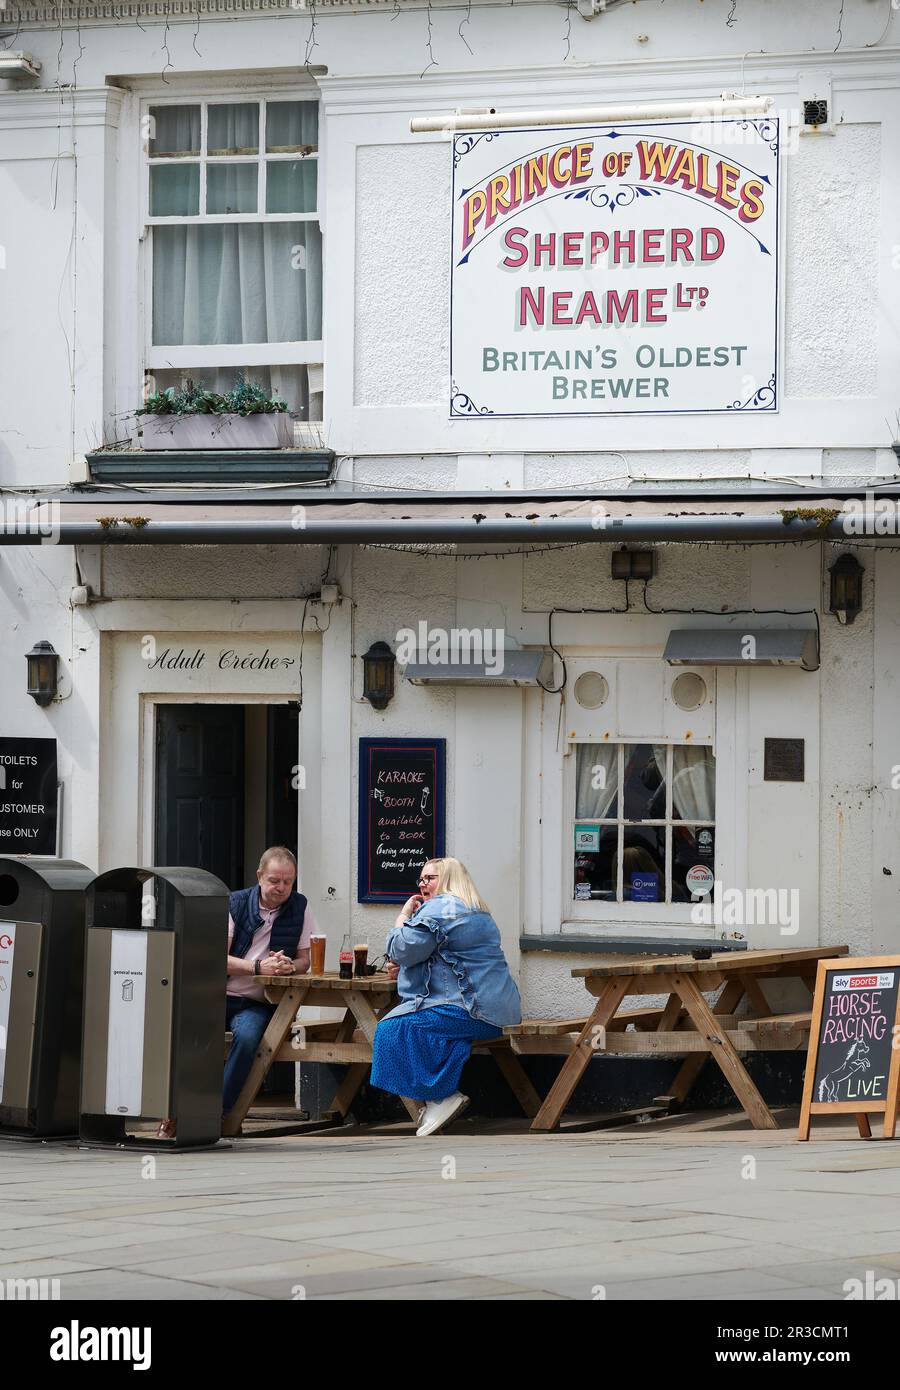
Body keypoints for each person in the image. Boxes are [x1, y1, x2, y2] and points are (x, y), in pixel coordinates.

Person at [157, 846, 317, 1138]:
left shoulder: (300, 906)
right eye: (274, 880)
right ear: (259, 876)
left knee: (247, 1038)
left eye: (288, 881)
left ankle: (214, 1113)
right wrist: (258, 967)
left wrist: (288, 966)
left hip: (257, 1002)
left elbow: (305, 960)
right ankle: (173, 1111)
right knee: (185, 1035)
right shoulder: (235, 903)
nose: (282, 888)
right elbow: (215, 958)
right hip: (216, 996)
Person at [370, 857, 521, 1138]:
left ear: (450, 879)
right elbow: (442, 958)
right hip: (500, 1013)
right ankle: (439, 1099)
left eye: (430, 878)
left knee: (392, 1029)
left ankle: (440, 1098)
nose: (422, 884)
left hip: (472, 1011)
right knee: (436, 1032)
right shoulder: (477, 908)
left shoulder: (441, 907)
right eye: (421, 879)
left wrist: (402, 918)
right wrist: (405, 969)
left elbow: (403, 948)